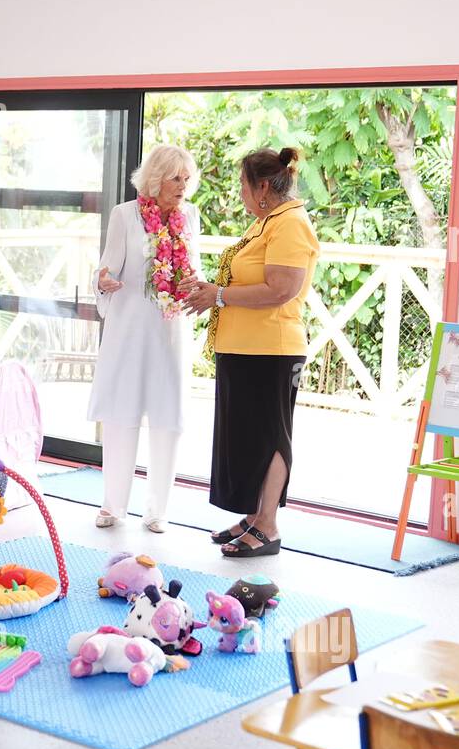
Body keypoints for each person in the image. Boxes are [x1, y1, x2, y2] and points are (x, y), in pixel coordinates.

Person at [179, 146, 320, 557]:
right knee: (248, 438)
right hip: (243, 348)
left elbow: (281, 290)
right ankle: (257, 516)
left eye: (242, 185)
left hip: (271, 350)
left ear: (262, 187)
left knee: (271, 437)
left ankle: (269, 526)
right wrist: (212, 291)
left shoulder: (290, 224)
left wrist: (219, 295)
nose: (240, 193)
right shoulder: (267, 223)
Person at [87, 144, 200, 533]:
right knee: (121, 415)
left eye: (187, 178)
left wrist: (194, 285)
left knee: (168, 419)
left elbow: (194, 268)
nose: (183, 185)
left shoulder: (191, 217)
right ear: (155, 179)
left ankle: (157, 510)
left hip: (170, 333)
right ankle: (113, 505)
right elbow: (105, 269)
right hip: (129, 331)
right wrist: (101, 281)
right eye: (175, 178)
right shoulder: (125, 215)